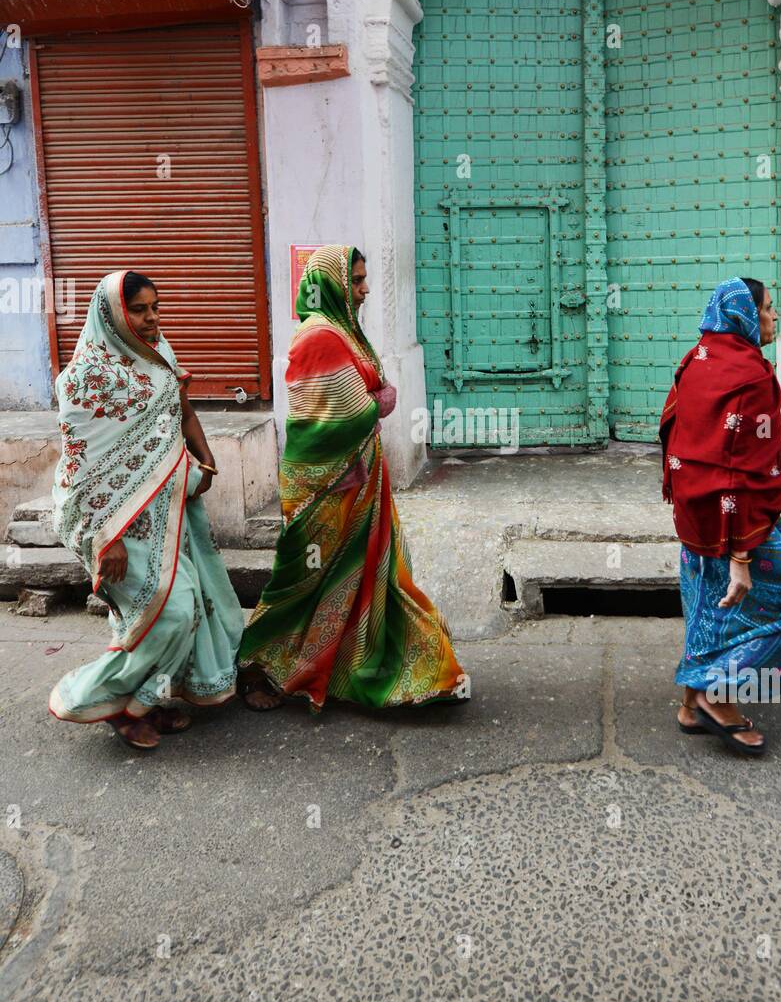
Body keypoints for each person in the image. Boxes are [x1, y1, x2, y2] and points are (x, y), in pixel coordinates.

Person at [237, 244, 468, 713]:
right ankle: (261, 666)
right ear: (332, 286)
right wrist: (381, 401)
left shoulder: (343, 331)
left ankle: (365, 665)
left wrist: (378, 398)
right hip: (325, 487)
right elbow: (337, 417)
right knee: (305, 580)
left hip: (357, 477)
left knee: (369, 574)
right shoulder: (319, 337)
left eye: (363, 280)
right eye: (356, 282)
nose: (363, 292)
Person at [49, 271, 243, 750]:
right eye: (139, 309)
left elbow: (183, 410)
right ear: (113, 314)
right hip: (114, 529)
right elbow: (81, 470)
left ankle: (146, 703)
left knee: (180, 608)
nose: (152, 318)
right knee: (171, 613)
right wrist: (104, 538)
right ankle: (97, 698)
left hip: (166, 514)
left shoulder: (160, 356)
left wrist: (206, 458)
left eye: (156, 307)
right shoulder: (85, 379)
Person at [659, 277, 781, 757]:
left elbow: (672, 433)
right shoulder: (751, 375)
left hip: (697, 518)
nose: (773, 317)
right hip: (738, 522)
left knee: (706, 606)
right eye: (767, 309)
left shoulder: (696, 359)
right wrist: (741, 555)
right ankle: (717, 694)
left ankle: (690, 706)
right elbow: (745, 468)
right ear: (745, 315)